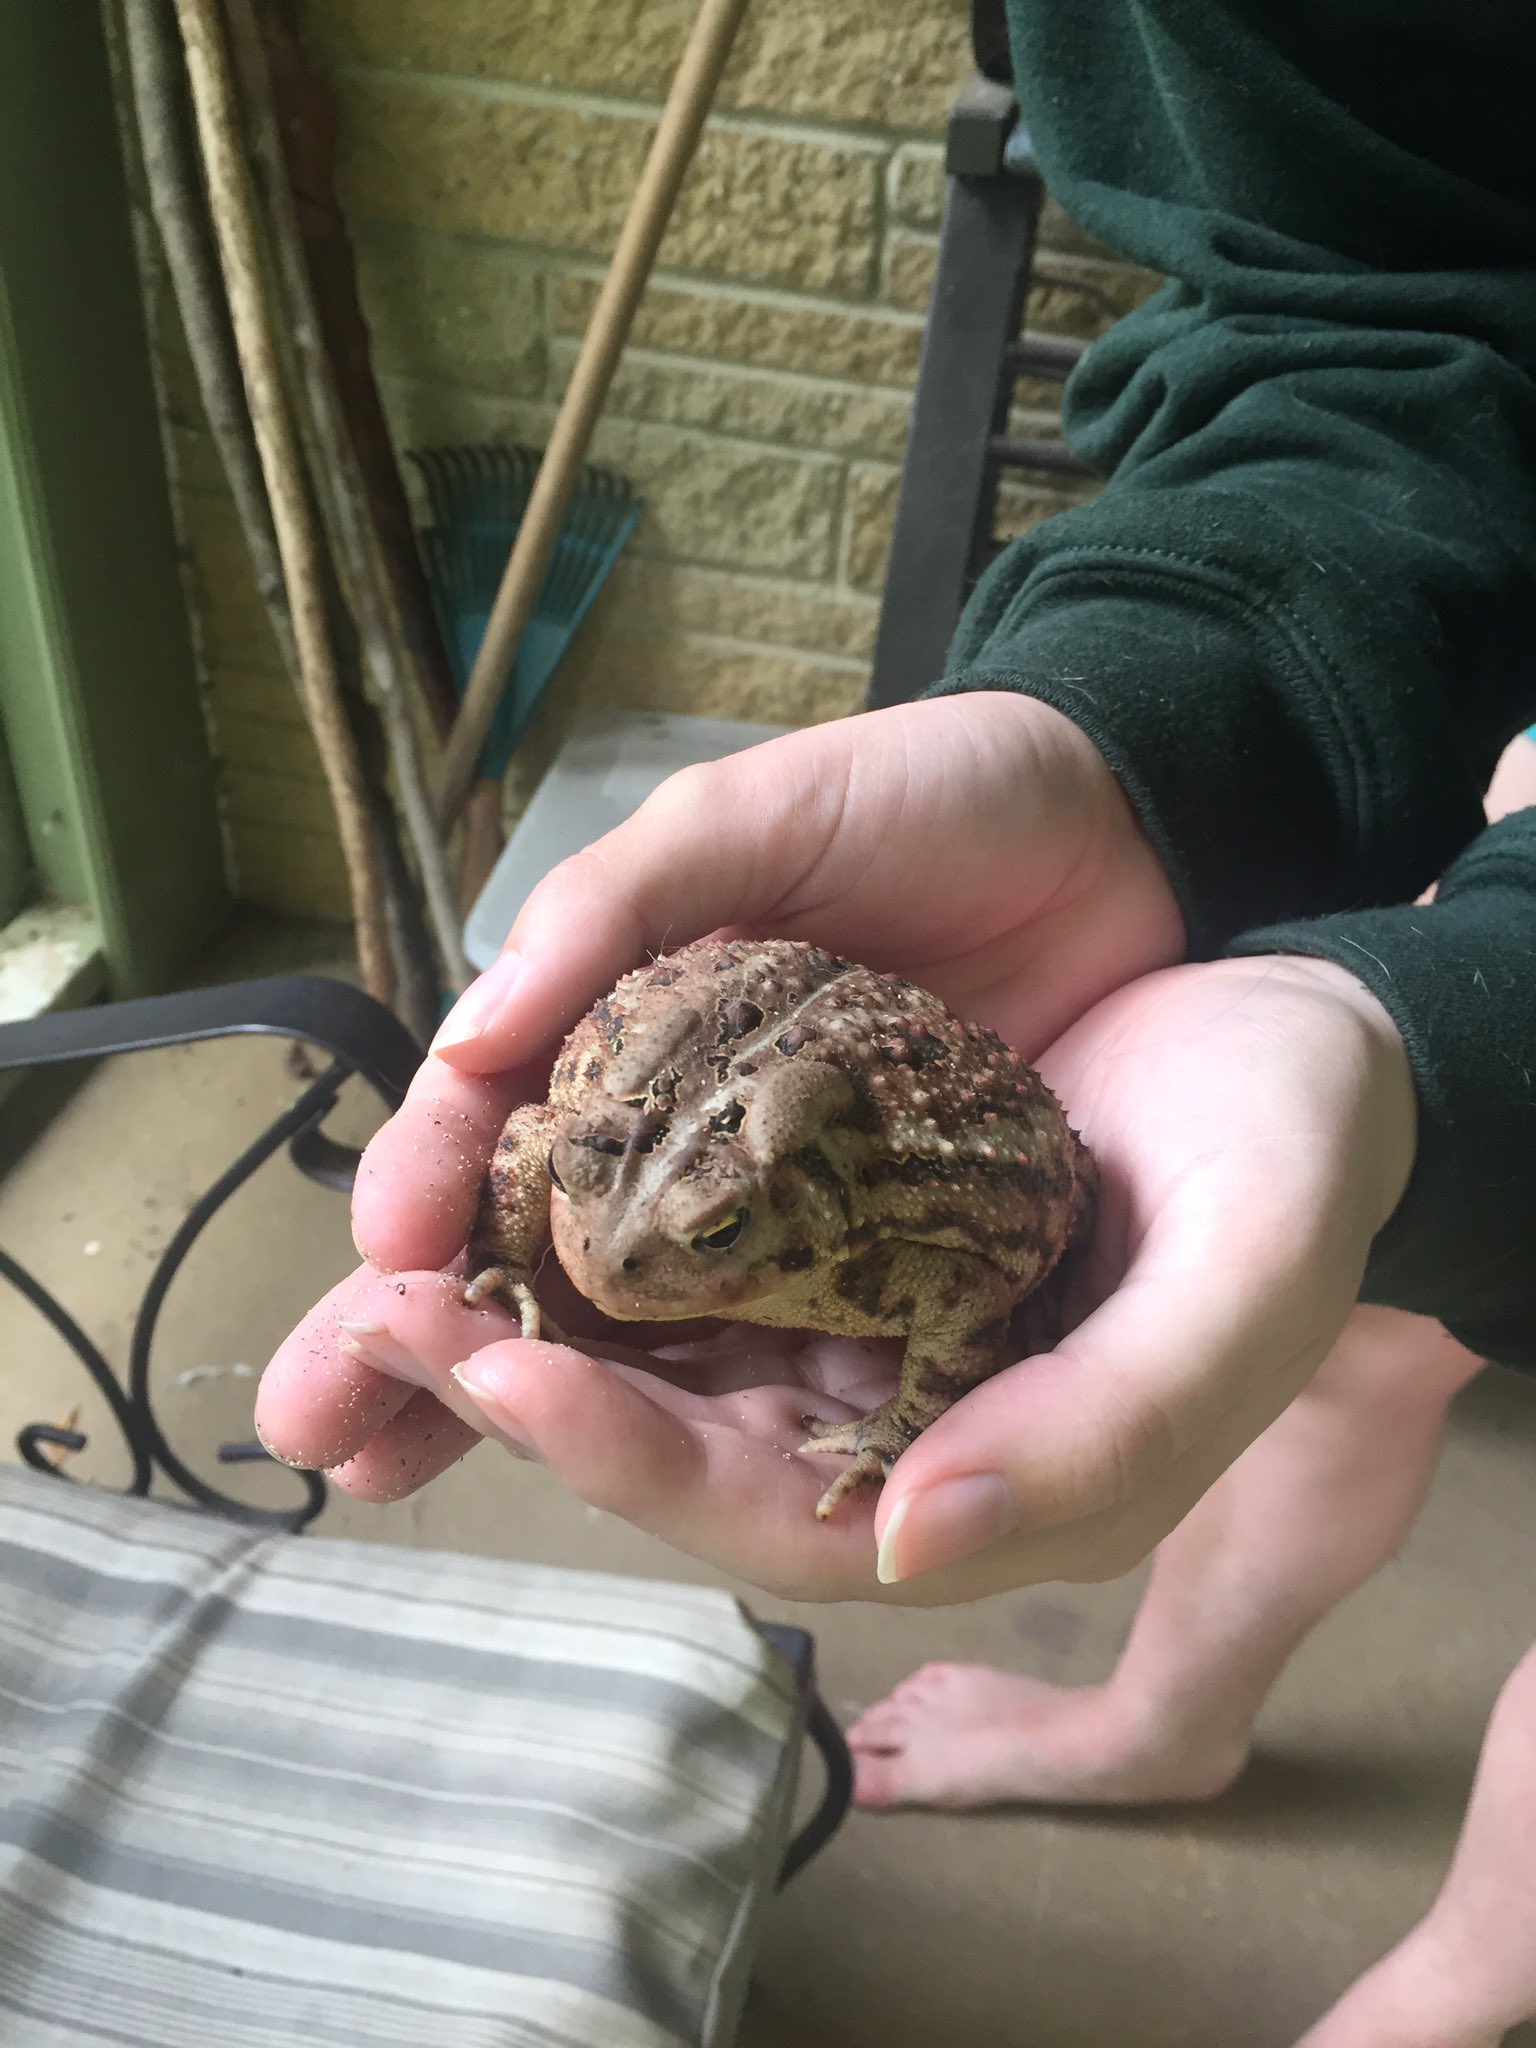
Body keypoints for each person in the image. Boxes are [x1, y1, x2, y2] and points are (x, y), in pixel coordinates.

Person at [258, 3, 1536, 2040]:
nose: (626, 1252)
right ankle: (1167, 1718)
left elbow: (953, 1296)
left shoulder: (880, 1230)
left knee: (1342, 1191)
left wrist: (1462, 1009)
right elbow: (1377, 291)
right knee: (1343, 1300)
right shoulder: (622, 1158)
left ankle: (1468, 1980)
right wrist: (1145, 736)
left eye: (697, 1235)